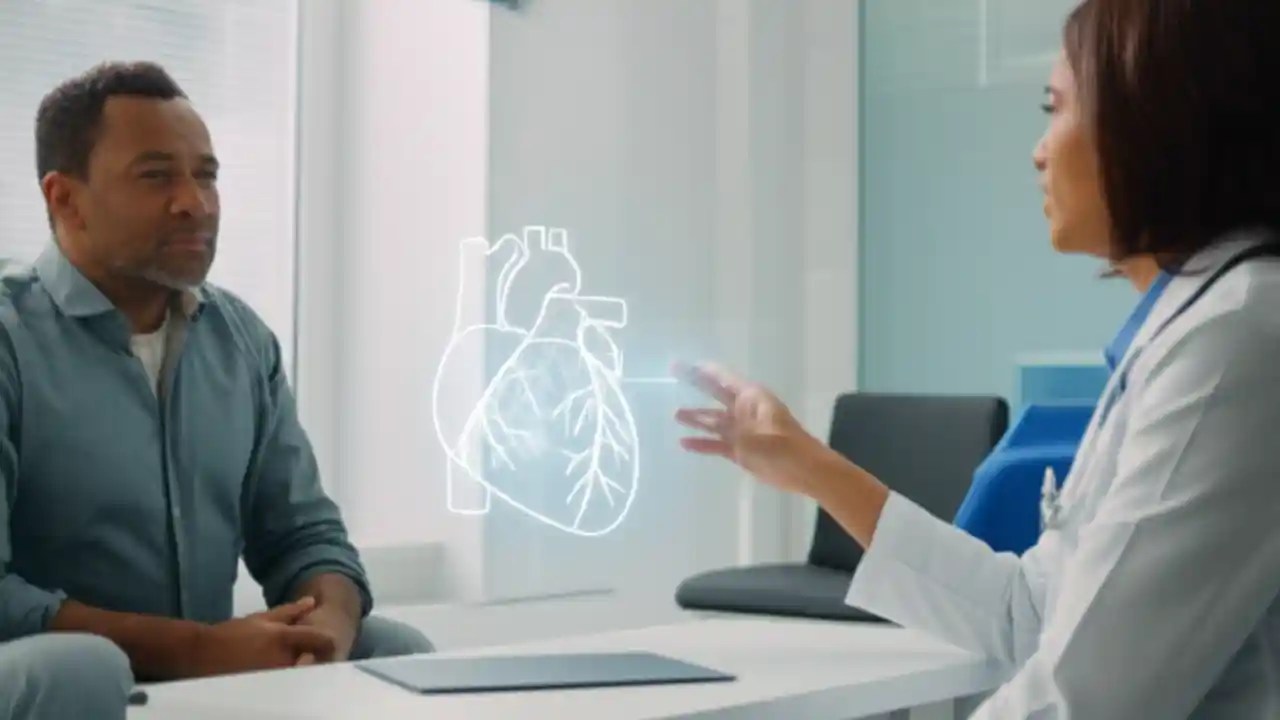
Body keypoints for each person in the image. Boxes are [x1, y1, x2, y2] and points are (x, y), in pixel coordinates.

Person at [674, 0, 1280, 717]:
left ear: (1157, 124)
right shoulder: (1196, 329)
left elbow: (1083, 701)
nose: (1039, 149)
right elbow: (1026, 614)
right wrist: (808, 465)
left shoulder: (1235, 337)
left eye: (1056, 108)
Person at [0, 60, 432, 692]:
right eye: (156, 177)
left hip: (196, 680)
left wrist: (325, 634)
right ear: (64, 197)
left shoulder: (241, 341)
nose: (194, 204)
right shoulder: (12, 339)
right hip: (53, 677)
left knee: (392, 649)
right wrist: (200, 648)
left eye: (206, 177)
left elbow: (306, 537)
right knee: (81, 667)